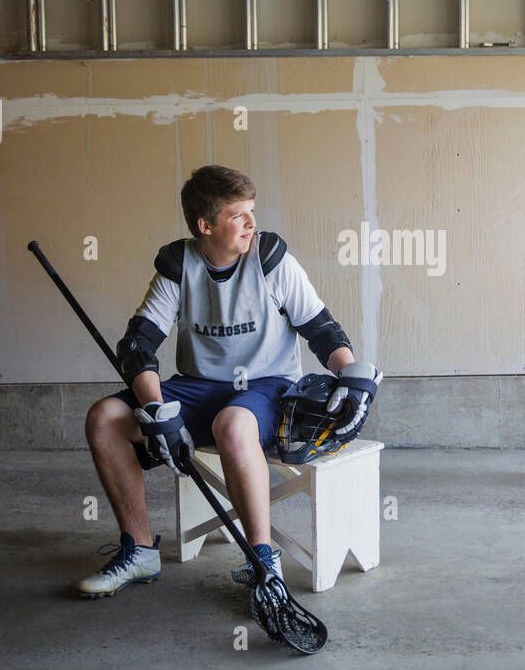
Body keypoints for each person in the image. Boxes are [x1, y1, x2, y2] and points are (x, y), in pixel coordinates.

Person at [76, 165, 380, 598]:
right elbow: (138, 346)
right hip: (197, 386)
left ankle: (263, 560)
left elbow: (321, 330)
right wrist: (157, 410)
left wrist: (351, 374)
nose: (253, 224)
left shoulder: (271, 259)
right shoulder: (179, 266)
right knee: (105, 417)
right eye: (240, 215)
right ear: (206, 225)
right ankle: (141, 550)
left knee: (233, 425)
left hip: (266, 385)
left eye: (253, 211)